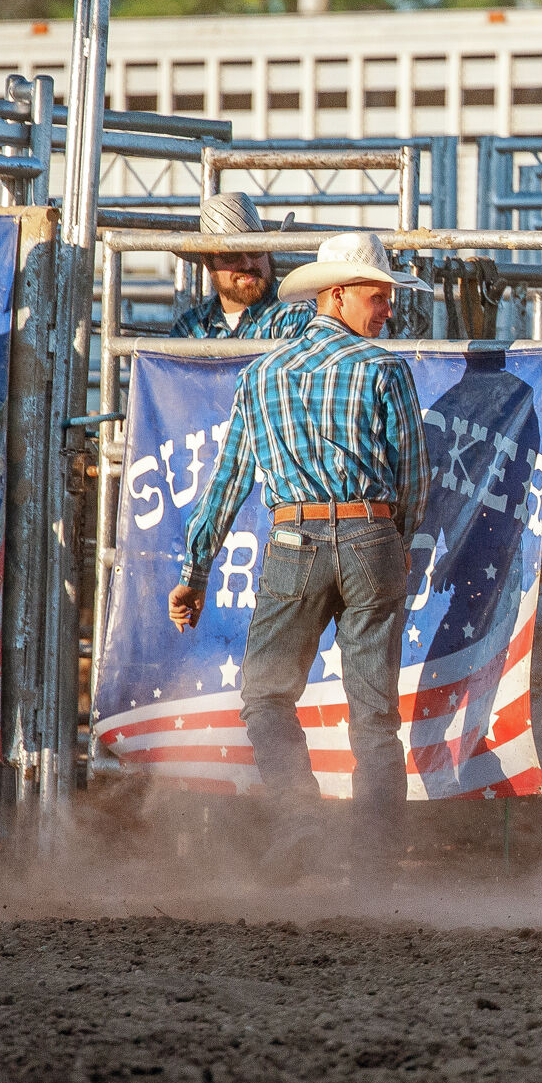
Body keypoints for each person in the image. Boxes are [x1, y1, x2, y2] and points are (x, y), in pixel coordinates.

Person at [169, 232, 431, 883]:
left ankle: (301, 821)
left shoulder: (261, 375)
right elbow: (413, 483)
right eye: (378, 296)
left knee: (265, 693)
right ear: (336, 294)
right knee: (372, 711)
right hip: (372, 537)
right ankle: (374, 861)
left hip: (293, 542)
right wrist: (397, 546)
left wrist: (196, 571)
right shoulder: (384, 370)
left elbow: (229, 481)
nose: (387, 310)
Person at [169, 192, 315, 339]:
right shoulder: (190, 324)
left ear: (268, 252)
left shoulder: (298, 314)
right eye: (231, 255)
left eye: (255, 250)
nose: (247, 263)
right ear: (208, 262)